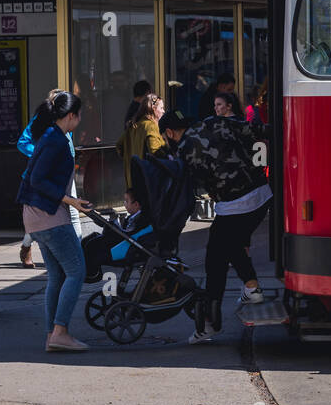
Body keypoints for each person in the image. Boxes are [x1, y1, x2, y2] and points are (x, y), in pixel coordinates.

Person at [177, 112, 271, 343]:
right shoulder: (216, 121)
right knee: (230, 245)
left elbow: (190, 186)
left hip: (234, 204)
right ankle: (252, 289)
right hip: (261, 192)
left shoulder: (184, 148)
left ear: (169, 132)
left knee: (215, 260)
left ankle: (211, 324)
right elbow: (256, 131)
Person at [16, 92, 93, 352]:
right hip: (49, 215)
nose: (80, 120)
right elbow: (38, 179)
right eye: (79, 115)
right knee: (76, 271)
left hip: (38, 216)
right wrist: (70, 201)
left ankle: (53, 335)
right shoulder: (56, 140)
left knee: (57, 275)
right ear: (71, 116)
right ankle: (60, 332)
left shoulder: (50, 135)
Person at [17, 88, 83, 266]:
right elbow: (23, 144)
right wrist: (41, 157)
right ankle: (28, 246)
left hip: (62, 175)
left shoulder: (62, 128)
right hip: (47, 179)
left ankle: (76, 249)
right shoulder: (49, 129)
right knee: (45, 216)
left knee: (66, 214)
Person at [115, 93, 167, 190]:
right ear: (153, 109)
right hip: (147, 182)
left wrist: (128, 157)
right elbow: (155, 151)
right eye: (161, 108)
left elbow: (119, 145)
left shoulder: (134, 125)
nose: (163, 111)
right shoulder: (151, 126)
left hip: (132, 180)